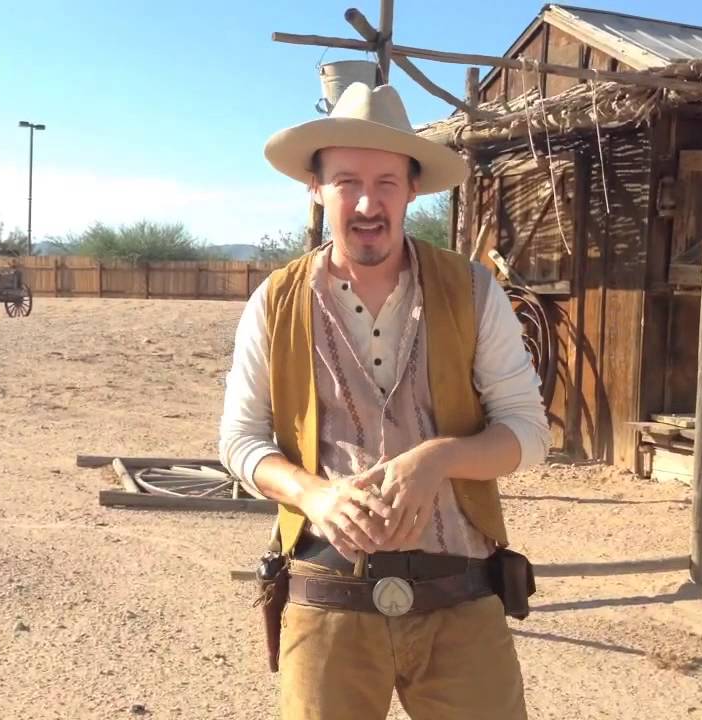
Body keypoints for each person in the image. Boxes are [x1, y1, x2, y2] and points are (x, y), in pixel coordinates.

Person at [218, 82, 549, 719]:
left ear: (413, 190)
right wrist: (314, 494)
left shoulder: (473, 292)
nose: (368, 203)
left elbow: (529, 432)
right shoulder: (275, 302)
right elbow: (240, 439)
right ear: (316, 188)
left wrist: (438, 458)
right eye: (347, 181)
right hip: (326, 593)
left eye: (386, 183)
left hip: (460, 592)